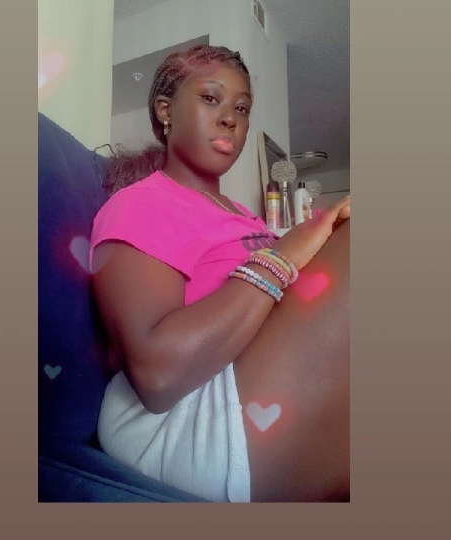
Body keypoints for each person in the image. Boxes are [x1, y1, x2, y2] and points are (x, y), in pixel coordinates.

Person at [90, 44, 350, 502]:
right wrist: (282, 257)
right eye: (210, 98)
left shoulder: (244, 218)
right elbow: (157, 377)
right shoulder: (140, 203)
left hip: (251, 379)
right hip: (185, 422)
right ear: (165, 111)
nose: (230, 117)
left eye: (242, 108)